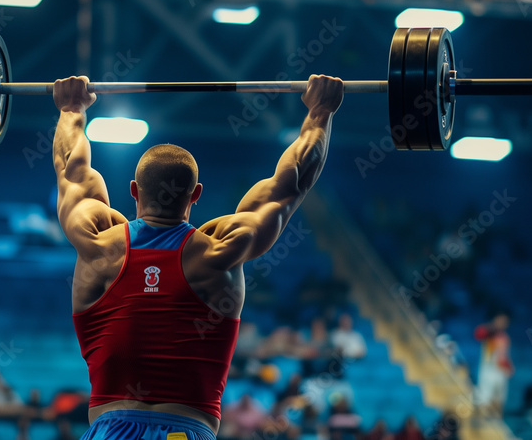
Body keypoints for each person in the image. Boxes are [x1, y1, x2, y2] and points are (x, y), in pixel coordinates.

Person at [51, 74, 344, 440]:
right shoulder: (220, 252)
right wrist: (320, 112)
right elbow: (292, 183)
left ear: (133, 191)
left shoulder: (96, 243)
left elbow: (71, 171)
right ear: (196, 195)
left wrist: (71, 108)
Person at [473, 312, 513, 418]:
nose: (502, 323)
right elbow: (478, 334)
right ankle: (481, 420)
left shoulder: (504, 337)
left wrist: (508, 366)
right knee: (485, 398)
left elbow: (504, 355)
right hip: (489, 371)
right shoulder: (488, 333)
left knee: (499, 400)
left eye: (505, 321)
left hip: (501, 373)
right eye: (500, 320)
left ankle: (497, 423)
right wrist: (492, 327)